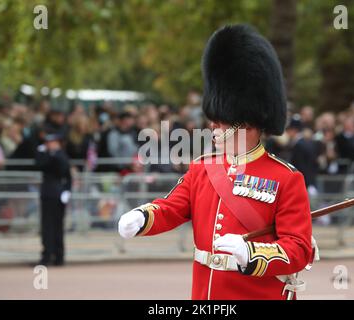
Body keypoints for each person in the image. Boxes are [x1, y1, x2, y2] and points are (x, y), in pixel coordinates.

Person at [118, 24, 315, 299]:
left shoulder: (285, 178)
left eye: (220, 120)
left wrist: (251, 253)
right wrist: (143, 216)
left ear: (246, 121)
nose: (213, 125)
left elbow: (299, 250)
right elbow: (172, 208)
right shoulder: (203, 167)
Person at [35, 131, 72, 266]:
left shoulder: (60, 155)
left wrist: (67, 191)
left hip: (57, 195)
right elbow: (39, 165)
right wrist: (42, 153)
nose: (49, 145)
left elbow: (66, 174)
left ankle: (58, 256)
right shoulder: (47, 155)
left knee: (56, 227)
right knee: (47, 227)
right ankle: (48, 255)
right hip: (48, 194)